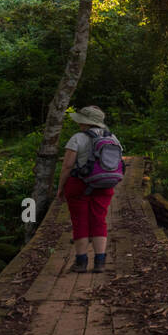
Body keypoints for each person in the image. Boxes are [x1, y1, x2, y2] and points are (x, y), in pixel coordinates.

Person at [56, 106, 120, 273]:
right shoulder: (112, 137)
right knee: (99, 220)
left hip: (79, 185)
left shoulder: (77, 138)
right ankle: (100, 262)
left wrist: (60, 187)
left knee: (80, 221)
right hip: (105, 185)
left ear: (84, 122)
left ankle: (81, 262)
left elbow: (68, 166)